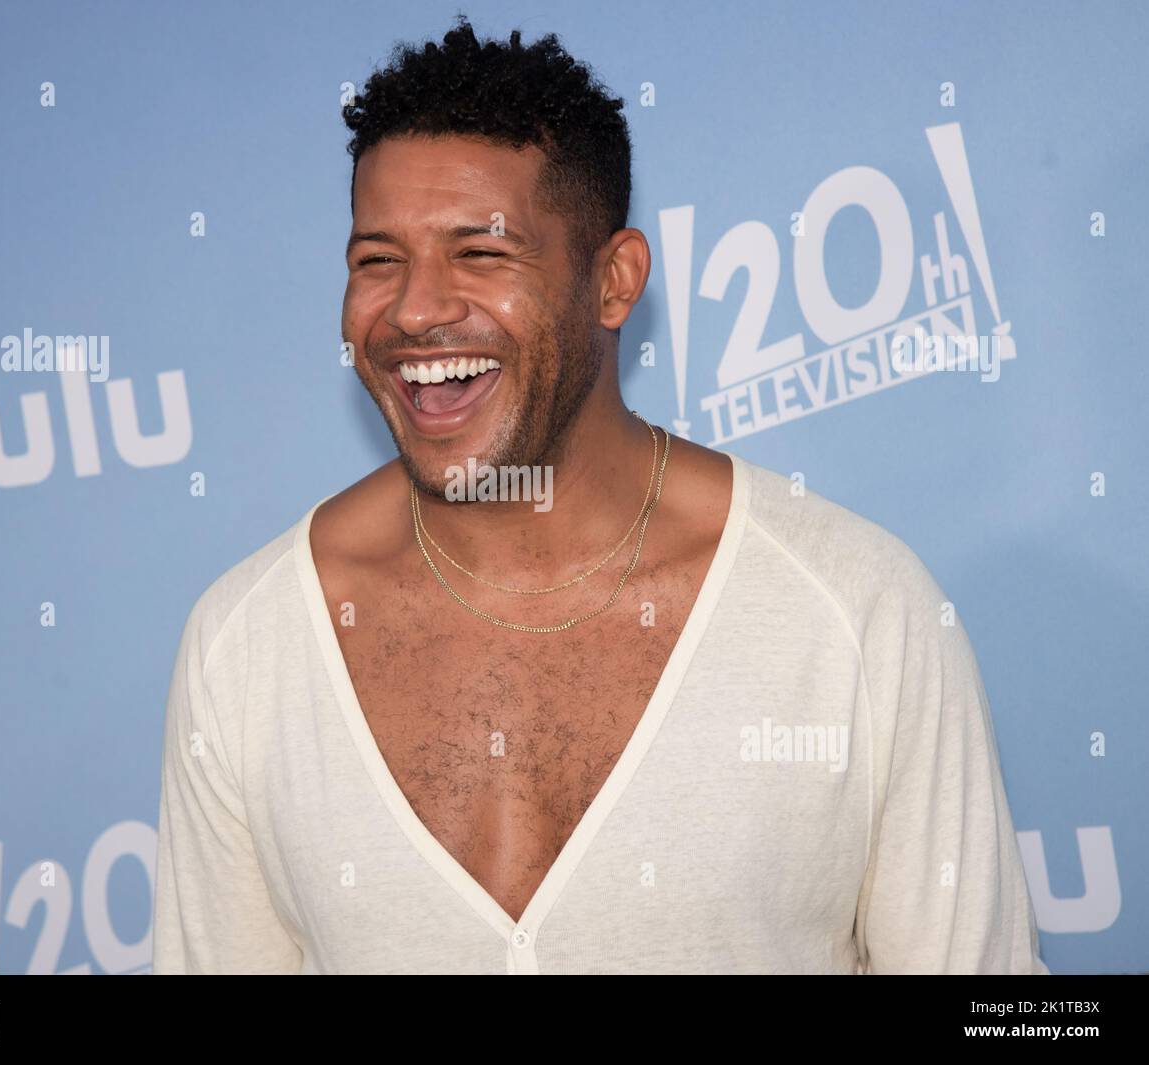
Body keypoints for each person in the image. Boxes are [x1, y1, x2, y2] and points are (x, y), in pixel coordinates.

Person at [152, 16, 1046, 974]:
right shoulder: (247, 643)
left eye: (482, 252)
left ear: (614, 282)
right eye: (377, 259)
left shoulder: (860, 610)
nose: (414, 309)